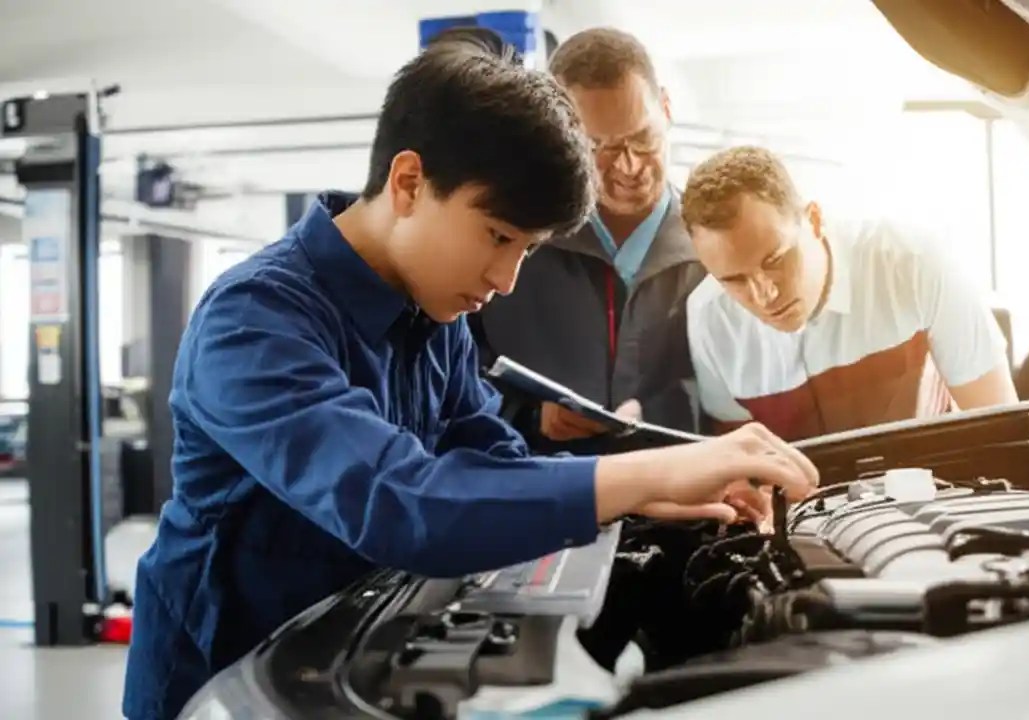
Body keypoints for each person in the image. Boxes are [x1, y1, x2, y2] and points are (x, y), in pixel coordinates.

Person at [122, 43, 815, 720]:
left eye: (529, 251)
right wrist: (651, 475)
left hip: (355, 660)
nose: (506, 280)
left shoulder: (435, 315)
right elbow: (399, 501)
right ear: (408, 183)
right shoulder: (253, 321)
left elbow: (493, 462)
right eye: (497, 237)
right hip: (230, 679)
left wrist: (638, 498)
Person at [474, 27, 705, 454]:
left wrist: (654, 414)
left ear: (667, 108)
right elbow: (455, 378)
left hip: (689, 502)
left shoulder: (715, 253)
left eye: (642, 138)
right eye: (599, 146)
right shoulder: (510, 243)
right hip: (545, 500)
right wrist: (527, 412)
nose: (629, 166)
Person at [682, 146, 1017, 441]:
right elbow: (744, 470)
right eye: (734, 280)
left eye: (775, 260)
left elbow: (1005, 432)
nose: (763, 294)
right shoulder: (707, 316)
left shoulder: (915, 264)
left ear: (813, 220)